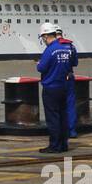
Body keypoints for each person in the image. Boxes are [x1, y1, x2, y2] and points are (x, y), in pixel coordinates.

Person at [36, 23, 78, 154]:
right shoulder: (66, 48)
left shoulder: (50, 50)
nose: (43, 40)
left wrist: (38, 63)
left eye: (43, 37)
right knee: (63, 116)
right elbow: (73, 63)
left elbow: (41, 68)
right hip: (64, 86)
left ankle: (54, 145)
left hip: (51, 87)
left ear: (47, 36)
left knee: (52, 117)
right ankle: (64, 144)